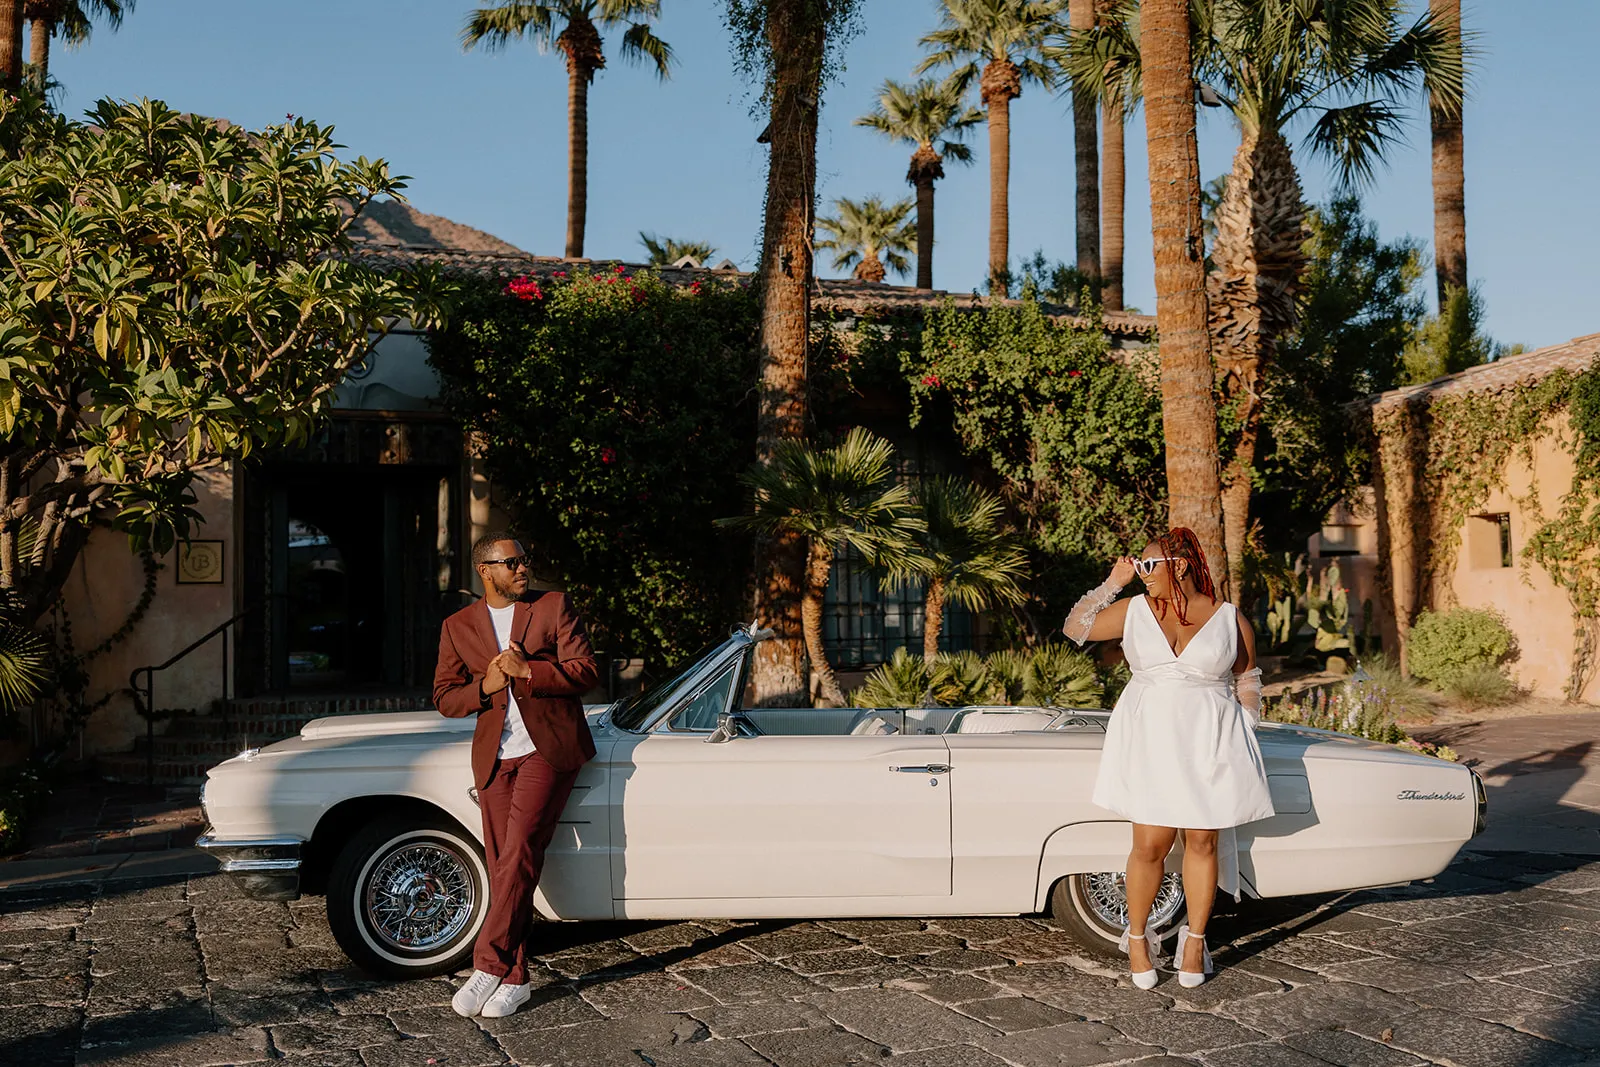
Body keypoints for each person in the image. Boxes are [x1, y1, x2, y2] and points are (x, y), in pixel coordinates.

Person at [1062, 528, 1273, 988]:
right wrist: (1114, 582)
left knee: (1202, 842)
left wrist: (1246, 726)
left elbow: (1248, 677)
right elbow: (1076, 627)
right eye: (1138, 565)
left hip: (1211, 742)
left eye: (1148, 565)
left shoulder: (1229, 617)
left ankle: (1194, 940)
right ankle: (1137, 938)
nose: (1142, 573)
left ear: (1179, 566)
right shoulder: (1135, 609)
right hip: (1151, 741)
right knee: (1150, 845)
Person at [433, 532, 599, 1018]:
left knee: (521, 848)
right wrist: (485, 684)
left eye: (525, 560)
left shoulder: (552, 606)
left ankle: (486, 963)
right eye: (512, 562)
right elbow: (445, 698)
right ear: (485, 571)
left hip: (547, 749)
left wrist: (530, 672)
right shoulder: (457, 626)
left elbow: (586, 670)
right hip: (494, 757)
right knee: (506, 862)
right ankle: (516, 977)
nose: (523, 568)